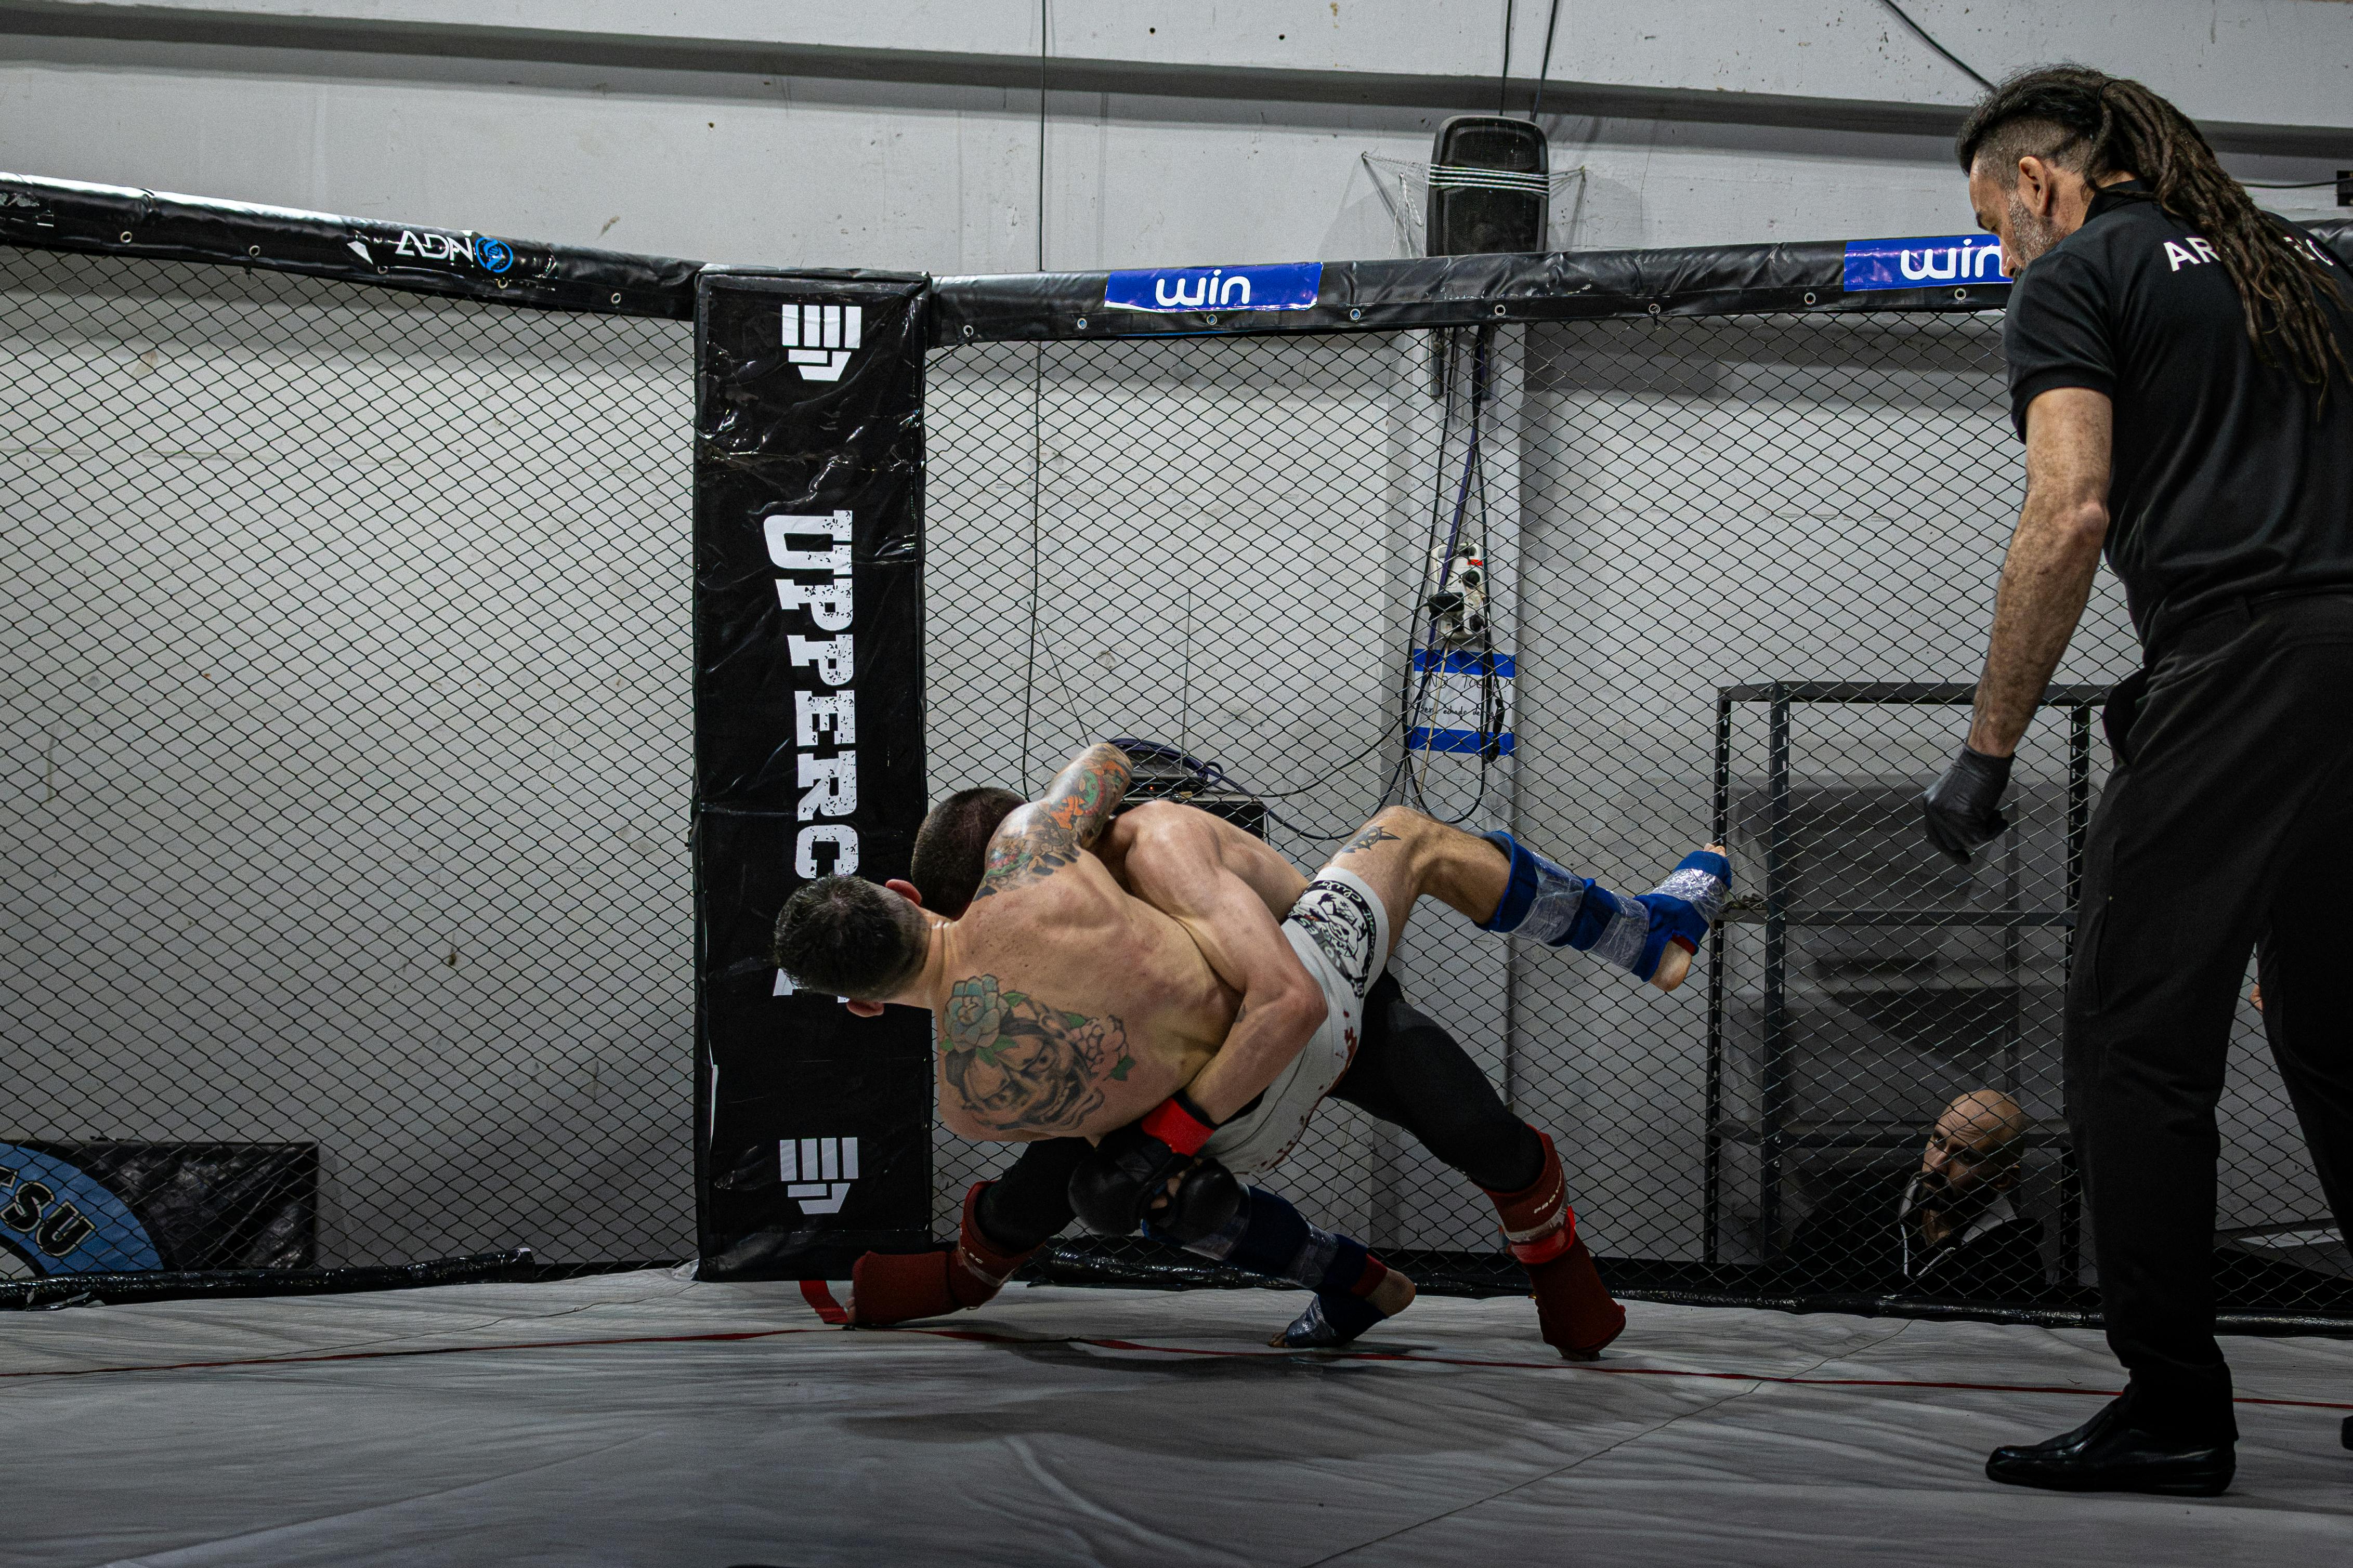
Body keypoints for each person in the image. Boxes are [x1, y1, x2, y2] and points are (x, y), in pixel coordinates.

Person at [1922, 65, 2353, 1496]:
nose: (1998, 254)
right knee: (2333, 1025)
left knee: (2130, 1035)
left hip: (2246, 657)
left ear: (2041, 183)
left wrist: (1984, 753)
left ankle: (2170, 1405)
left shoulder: (2076, 273)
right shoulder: (2292, 266)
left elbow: (2069, 507)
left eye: (1992, 224)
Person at [774, 744, 1731, 1358]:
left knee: (1103, 1171)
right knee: (1404, 836)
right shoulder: (1124, 843)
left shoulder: (968, 1099)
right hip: (1310, 1016)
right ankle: (1648, 935)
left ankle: (1352, 1281)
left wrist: (1147, 1159)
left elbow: (1076, 1166)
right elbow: (1283, 992)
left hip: (1228, 1133)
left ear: (863, 1003)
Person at [1785, 1090, 2046, 1300]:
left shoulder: (2013, 1262)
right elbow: (1786, 1279)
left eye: (1965, 1156)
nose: (1937, 1165)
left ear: (2002, 1179)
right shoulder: (1865, 1201)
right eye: (1938, 1140)